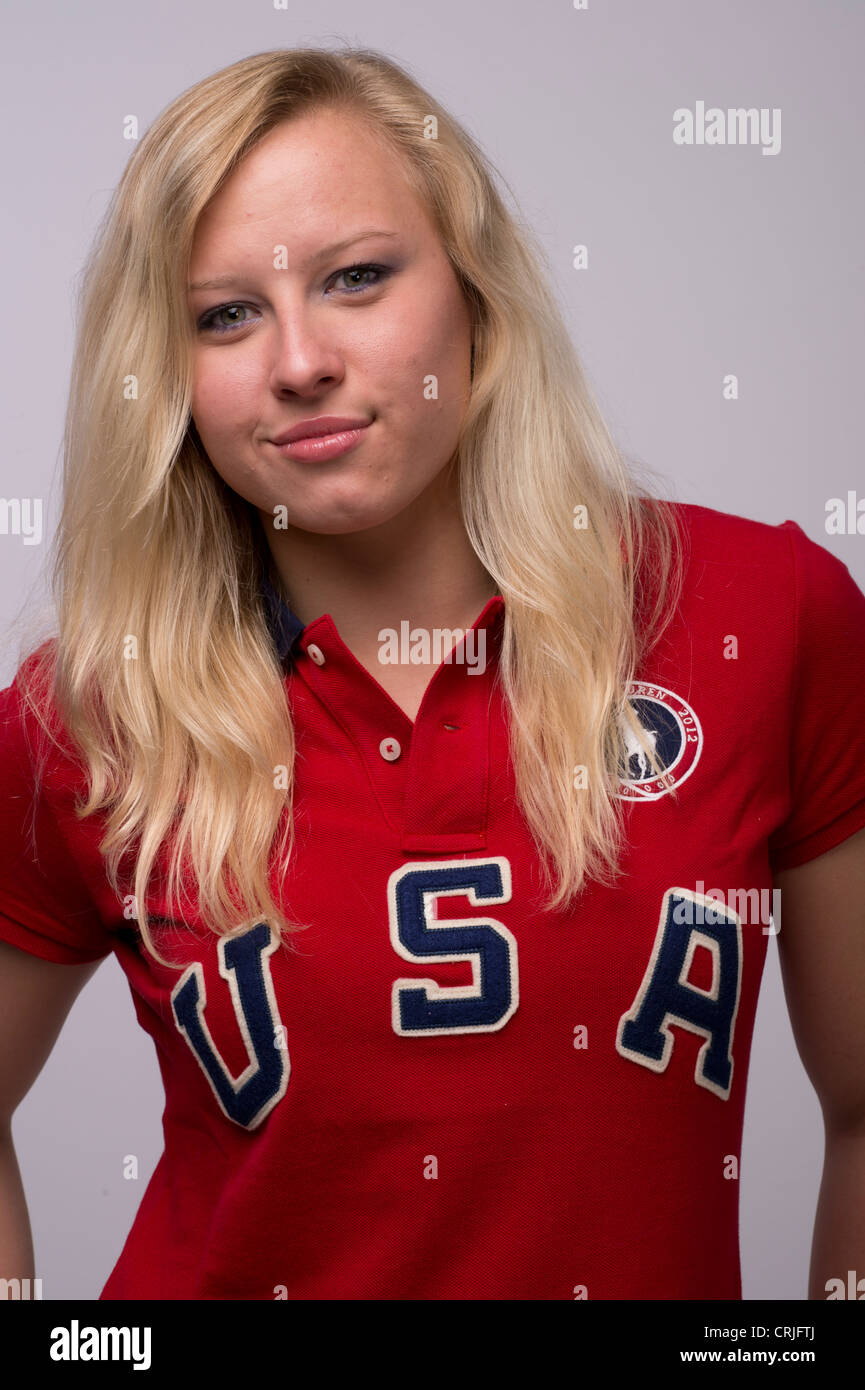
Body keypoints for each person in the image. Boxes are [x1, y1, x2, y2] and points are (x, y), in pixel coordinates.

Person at [1, 45, 864, 1303]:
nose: (299, 360)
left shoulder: (764, 617)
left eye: (356, 277)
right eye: (224, 314)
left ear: (478, 291)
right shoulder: (83, 716)